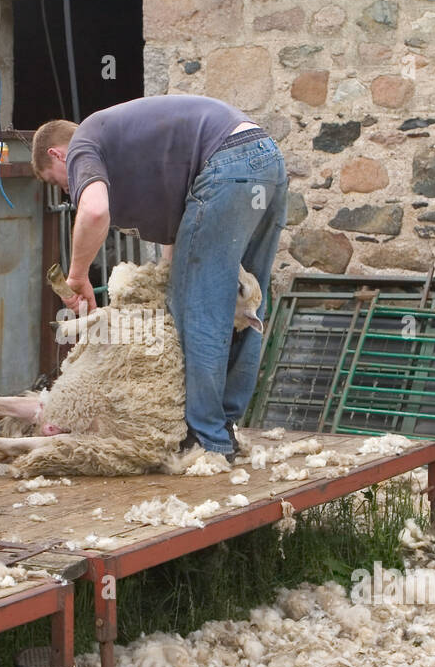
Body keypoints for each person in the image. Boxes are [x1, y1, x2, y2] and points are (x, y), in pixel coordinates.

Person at [31, 95, 287, 459]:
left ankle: (207, 439)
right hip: (264, 159)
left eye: (56, 183)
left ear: (58, 155)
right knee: (247, 307)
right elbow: (183, 238)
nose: (66, 190)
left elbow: (94, 210)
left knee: (198, 309)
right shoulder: (132, 156)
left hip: (229, 162)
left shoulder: (83, 143)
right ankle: (225, 425)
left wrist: (77, 275)